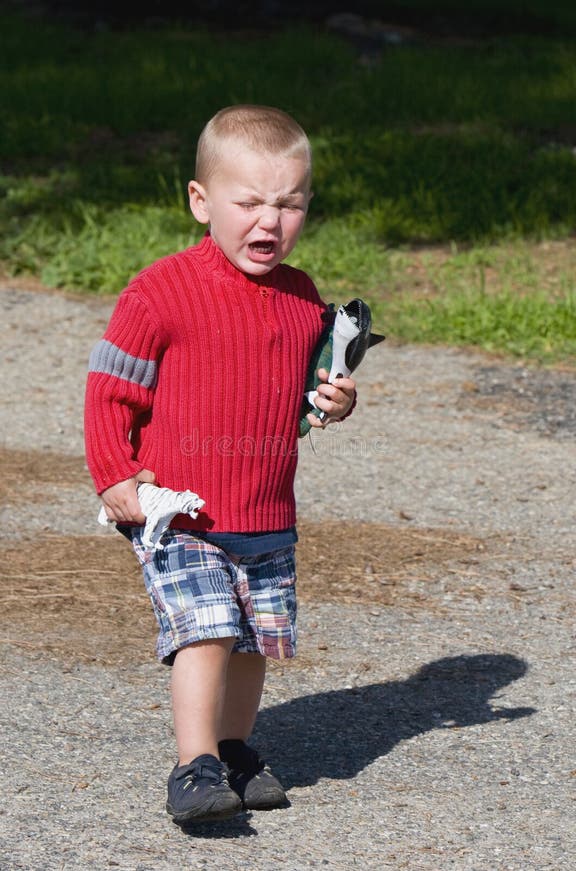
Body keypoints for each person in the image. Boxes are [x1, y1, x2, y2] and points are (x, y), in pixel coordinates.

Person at [84, 104, 357, 824]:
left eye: (289, 203)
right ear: (201, 202)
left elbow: (298, 396)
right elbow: (111, 388)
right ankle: (194, 764)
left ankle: (235, 747)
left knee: (253, 640)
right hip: (182, 506)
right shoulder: (161, 290)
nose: (269, 220)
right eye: (250, 203)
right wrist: (116, 473)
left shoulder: (301, 299)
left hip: (266, 510)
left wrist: (333, 399)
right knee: (205, 628)